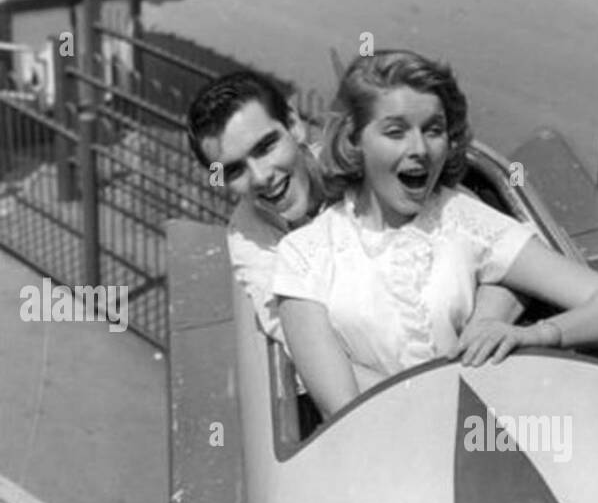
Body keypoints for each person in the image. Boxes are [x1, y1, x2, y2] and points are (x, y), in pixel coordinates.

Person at [272, 50, 598, 418]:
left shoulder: (464, 220)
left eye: (433, 130)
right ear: (354, 140)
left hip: (478, 440)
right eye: (395, 131)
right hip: (379, 455)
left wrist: (535, 335)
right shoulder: (304, 253)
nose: (419, 149)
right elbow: (342, 409)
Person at [186, 69, 522, 355]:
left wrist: (478, 336)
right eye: (234, 170)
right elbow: (314, 354)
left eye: (266, 147)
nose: (261, 177)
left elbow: (499, 250)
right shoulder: (249, 237)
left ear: (294, 124)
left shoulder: (364, 162)